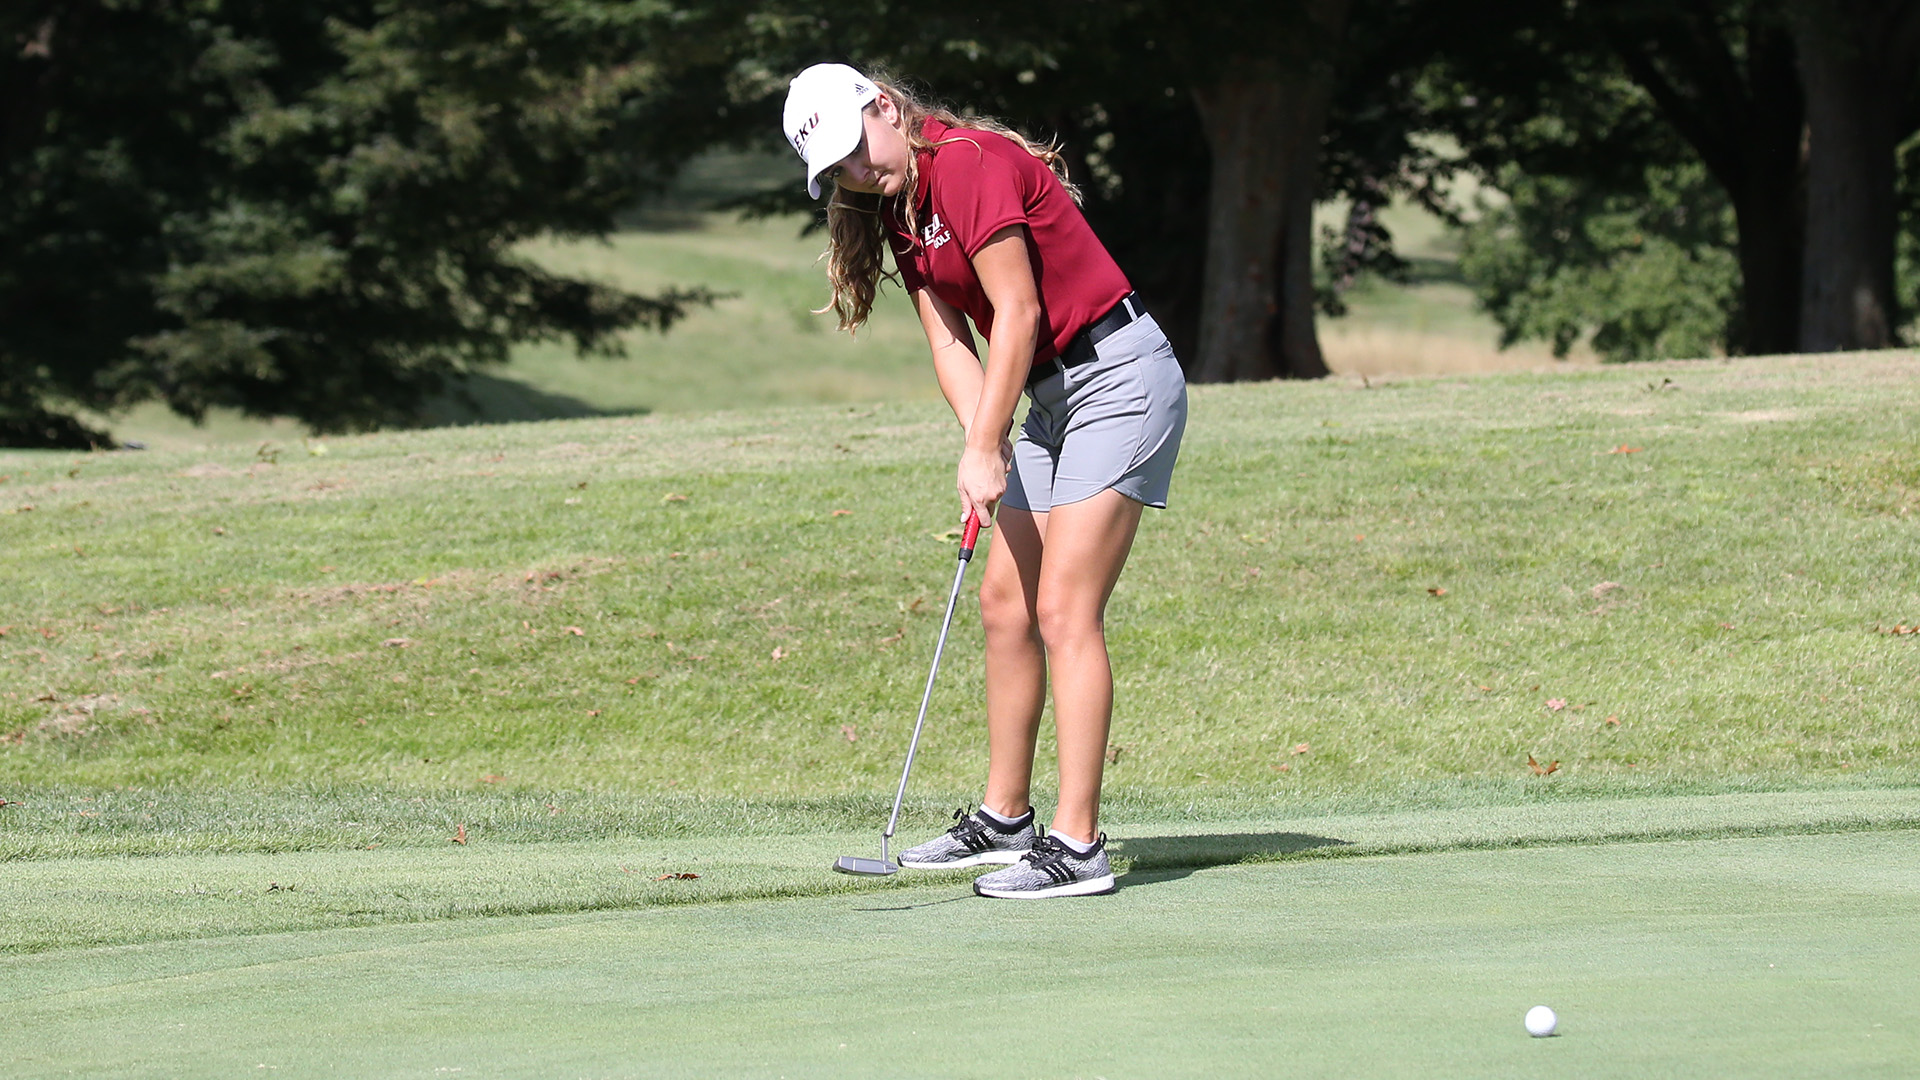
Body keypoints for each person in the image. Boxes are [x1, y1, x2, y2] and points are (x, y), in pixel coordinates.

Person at [782, 63, 1186, 898]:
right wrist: (983, 444)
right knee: (1005, 603)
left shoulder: (967, 163)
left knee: (1064, 609)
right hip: (1041, 396)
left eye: (859, 148)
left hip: (1117, 377)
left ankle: (1078, 846)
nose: (859, 173)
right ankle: (1007, 818)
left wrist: (988, 439)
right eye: (841, 170)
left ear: (886, 109)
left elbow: (1022, 310)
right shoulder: (901, 209)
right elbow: (949, 343)